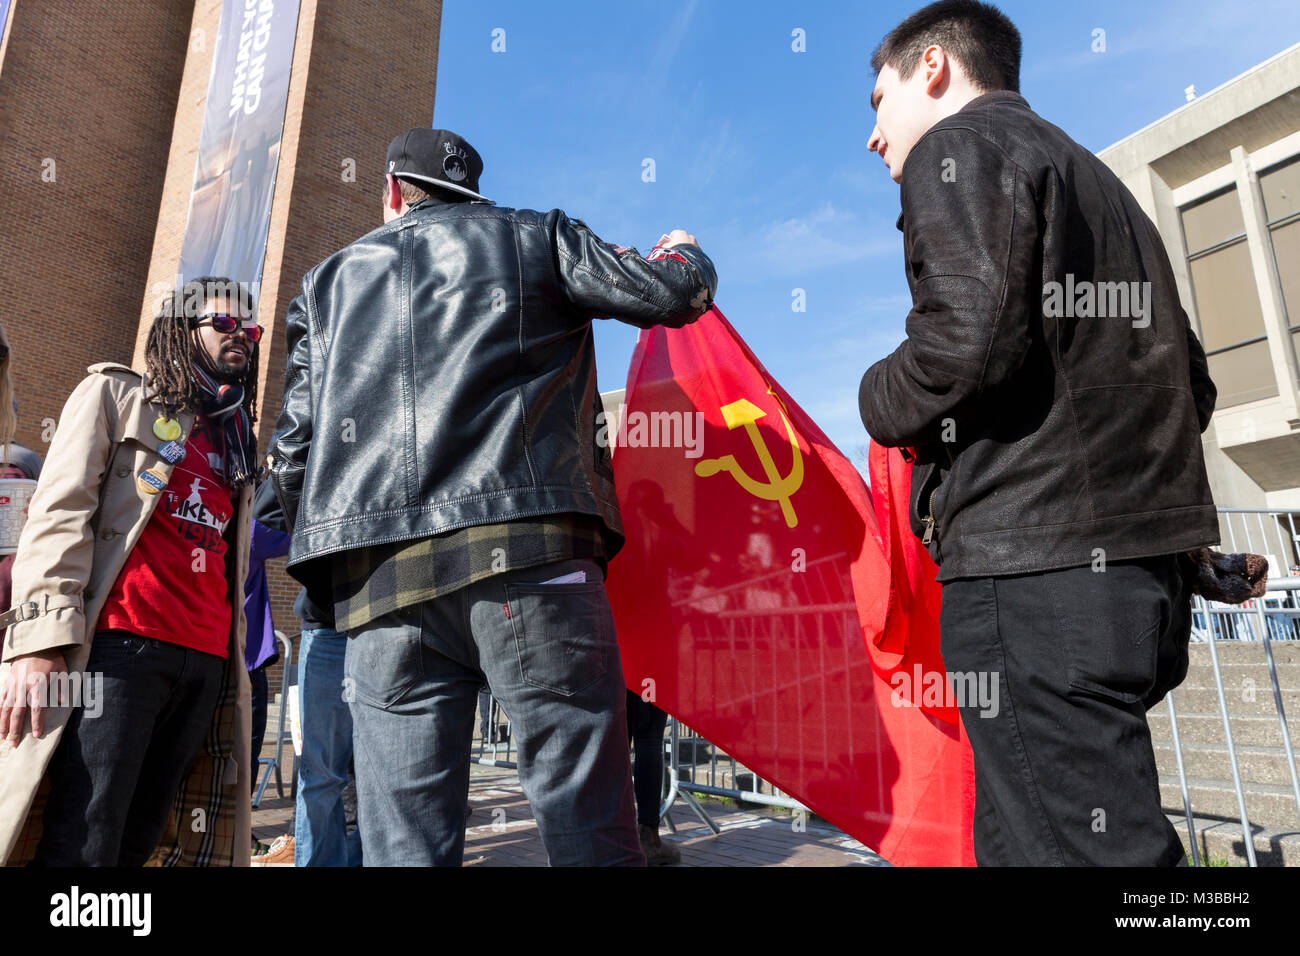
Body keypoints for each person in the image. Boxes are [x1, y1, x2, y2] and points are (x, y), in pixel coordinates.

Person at [270, 127, 718, 866]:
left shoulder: (325, 287)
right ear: (472, 193)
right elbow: (670, 292)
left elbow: (293, 455)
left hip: (384, 587)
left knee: (406, 844)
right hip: (535, 563)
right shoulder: (535, 238)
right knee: (588, 824)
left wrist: (330, 572)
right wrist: (686, 251)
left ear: (391, 193)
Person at [858, 0, 1219, 866]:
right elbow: (1190, 384)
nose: (873, 136)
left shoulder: (957, 149)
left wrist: (875, 396)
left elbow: (964, 346)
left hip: (1035, 574)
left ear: (934, 66)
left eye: (878, 101)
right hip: (1130, 586)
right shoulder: (1106, 188)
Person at [0, 276, 261, 865]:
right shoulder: (116, 396)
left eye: (249, 328)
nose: (240, 336)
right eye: (222, 324)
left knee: (143, 841)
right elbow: (58, 515)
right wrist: (37, 645)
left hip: (204, 664)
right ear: (179, 328)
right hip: (119, 649)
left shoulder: (237, 437)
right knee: (86, 837)